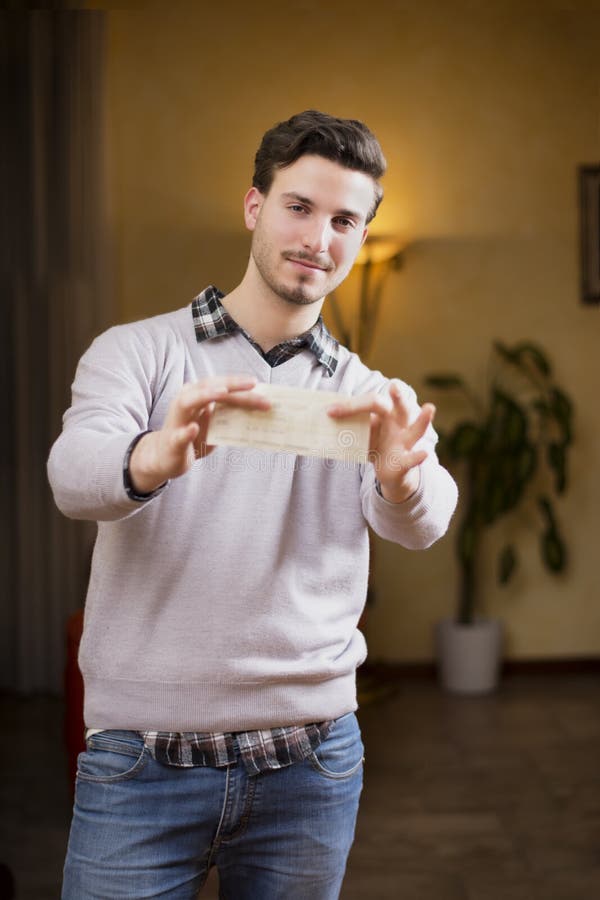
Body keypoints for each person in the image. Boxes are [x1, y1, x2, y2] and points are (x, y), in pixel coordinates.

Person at [48, 110, 458, 900]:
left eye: (344, 220)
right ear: (253, 207)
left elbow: (428, 515)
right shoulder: (137, 353)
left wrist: (403, 480)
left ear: (361, 234)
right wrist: (152, 457)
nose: (318, 237)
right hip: (138, 758)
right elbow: (72, 476)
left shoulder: (365, 394)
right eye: (298, 207)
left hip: (311, 765)